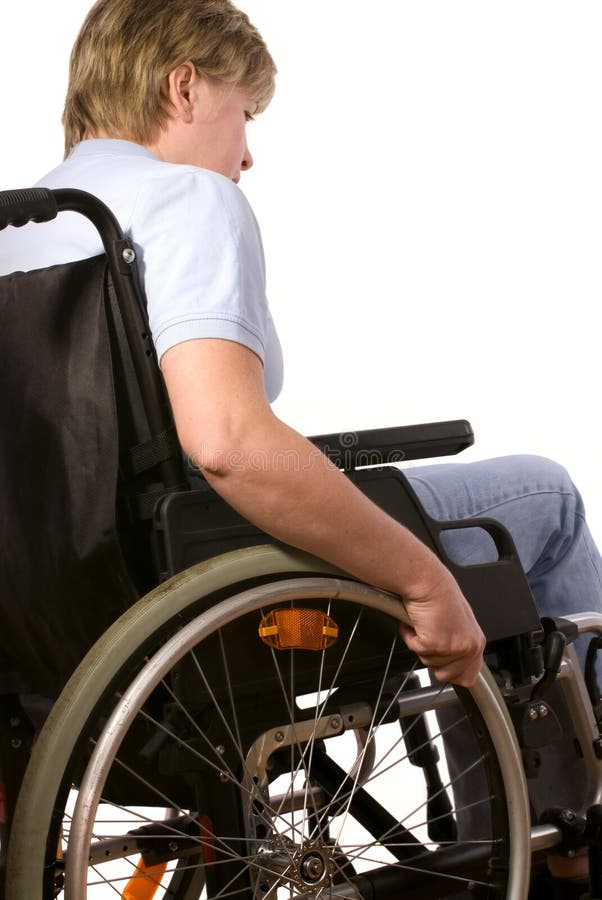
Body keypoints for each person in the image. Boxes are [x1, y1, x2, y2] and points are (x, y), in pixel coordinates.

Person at [0, 0, 600, 698]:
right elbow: (230, 445)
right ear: (184, 87)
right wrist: (425, 580)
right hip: (202, 570)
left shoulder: (22, 229)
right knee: (546, 494)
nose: (247, 156)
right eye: (245, 114)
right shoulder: (182, 198)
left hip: (60, 609)